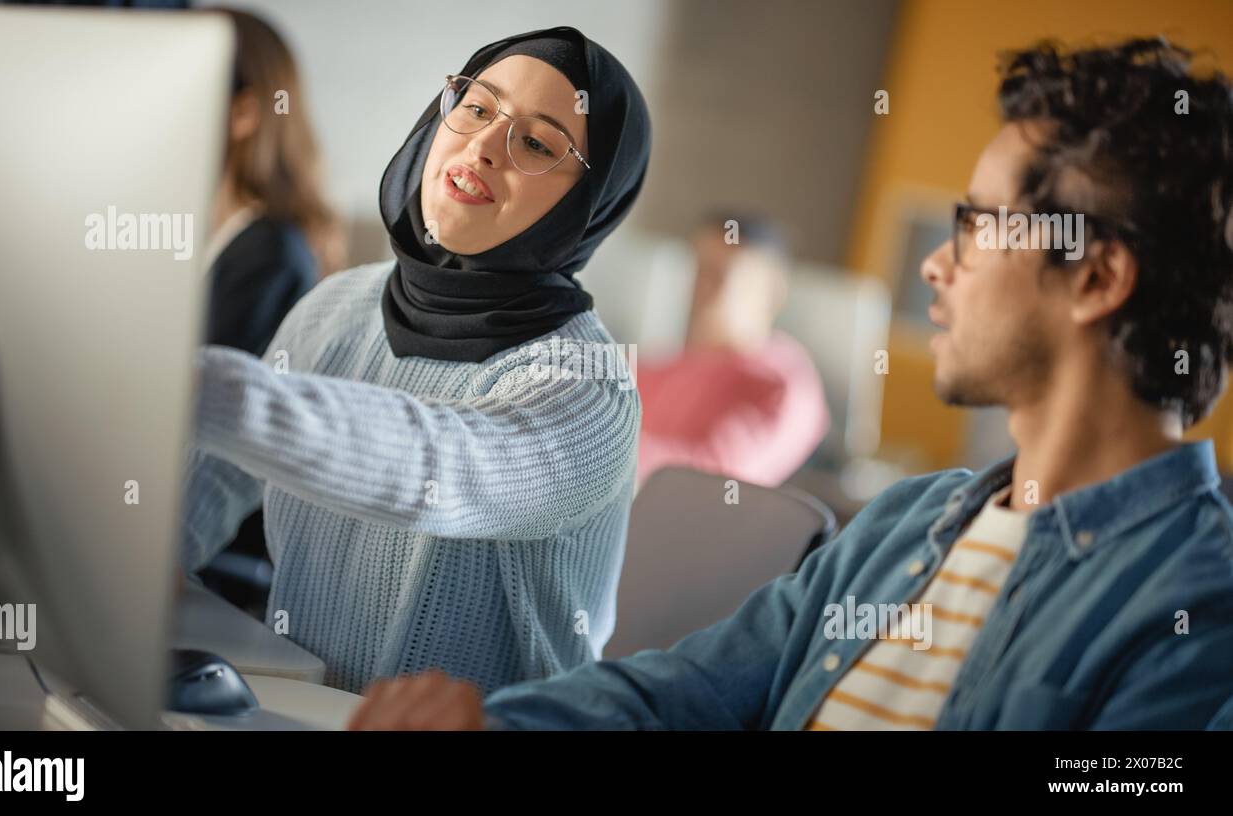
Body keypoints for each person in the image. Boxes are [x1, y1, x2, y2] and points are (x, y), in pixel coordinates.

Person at [347, 36, 1233, 730]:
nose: (934, 265)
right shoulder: (904, 525)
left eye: (973, 224)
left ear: (1095, 277)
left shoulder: (1201, 599)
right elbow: (682, 695)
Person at [179, 26, 652, 695]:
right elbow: (198, 495)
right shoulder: (335, 307)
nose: (485, 146)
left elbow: (438, 465)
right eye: (477, 108)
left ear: (588, 203)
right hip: (297, 706)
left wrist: (192, 385)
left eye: (538, 144)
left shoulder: (591, 389)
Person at [195, 7, 346, 617]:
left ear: (244, 111)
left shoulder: (268, 252)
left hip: (221, 566)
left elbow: (202, 430)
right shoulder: (221, 239)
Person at [636, 214, 828, 487]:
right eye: (696, 271)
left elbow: (714, 478)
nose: (697, 288)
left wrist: (607, 448)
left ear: (771, 290)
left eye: (718, 276)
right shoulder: (672, 362)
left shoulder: (782, 384)